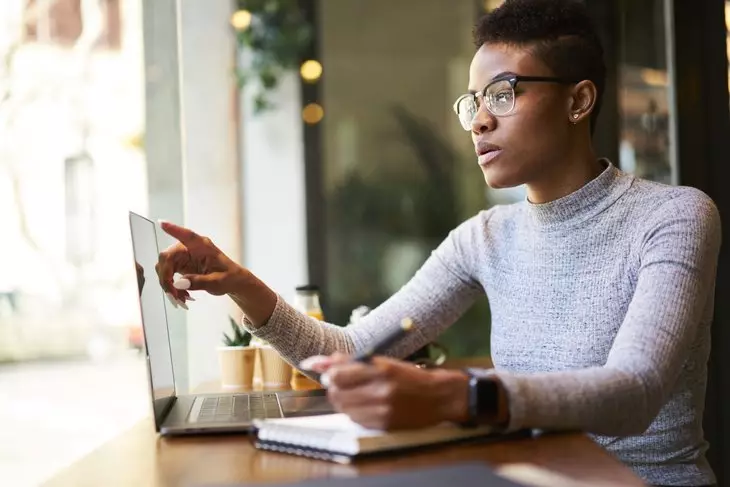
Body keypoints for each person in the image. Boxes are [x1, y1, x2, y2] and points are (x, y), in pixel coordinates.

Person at [155, 1, 720, 486]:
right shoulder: (484, 238)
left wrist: (457, 397)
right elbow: (351, 350)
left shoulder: (673, 216)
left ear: (578, 101)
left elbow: (635, 391)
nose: (478, 123)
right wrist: (240, 284)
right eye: (473, 103)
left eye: (502, 95)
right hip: (530, 475)